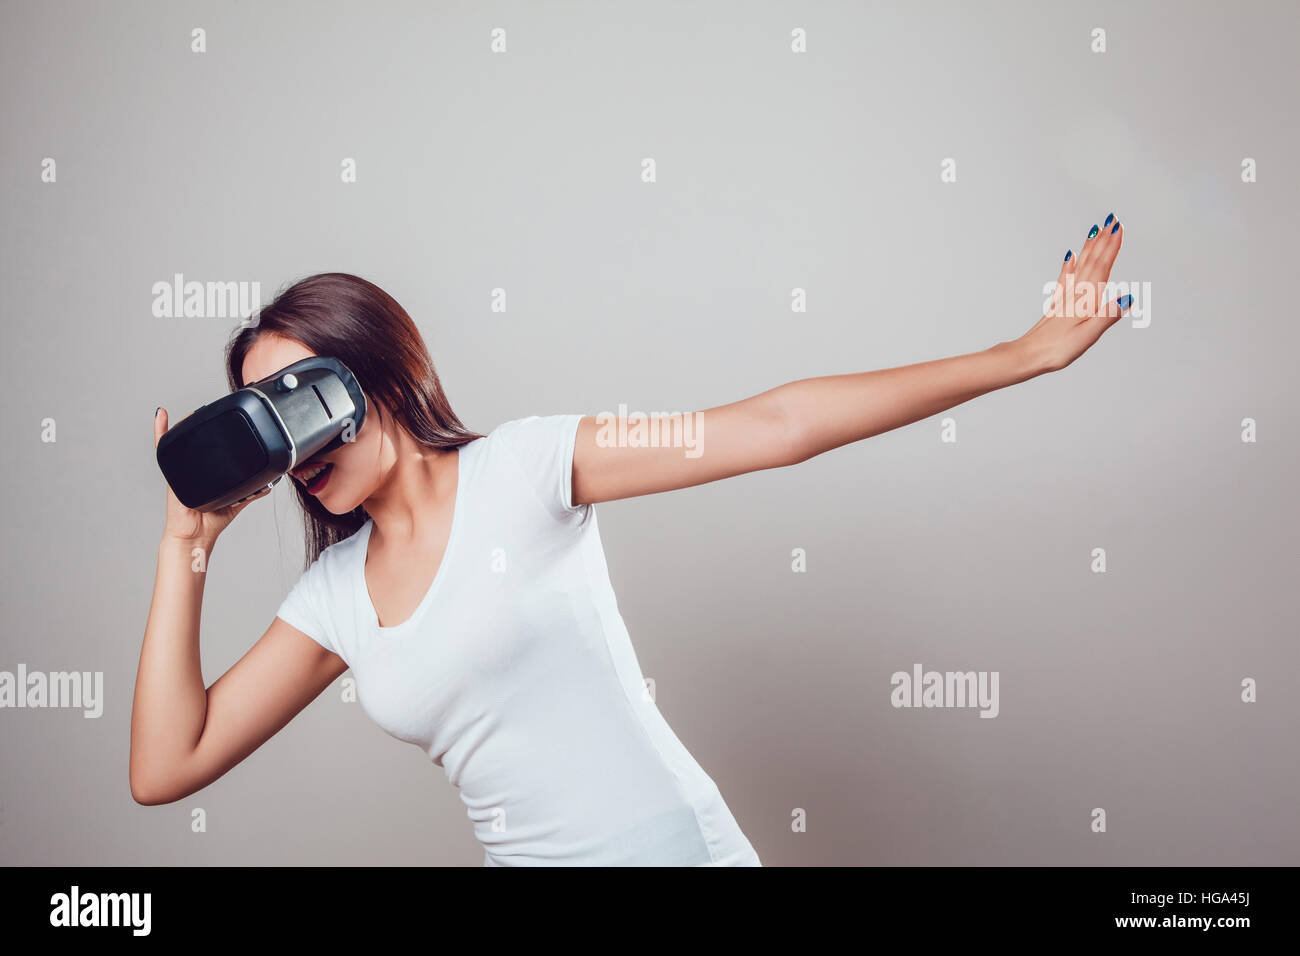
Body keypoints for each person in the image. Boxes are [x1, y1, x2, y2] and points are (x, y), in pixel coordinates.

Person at [130, 216, 1129, 865]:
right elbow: (164, 765)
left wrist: (1022, 354)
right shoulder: (334, 598)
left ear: (376, 374)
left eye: (297, 397)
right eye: (257, 414)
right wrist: (188, 535)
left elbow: (772, 428)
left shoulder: (525, 469)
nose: (287, 435)